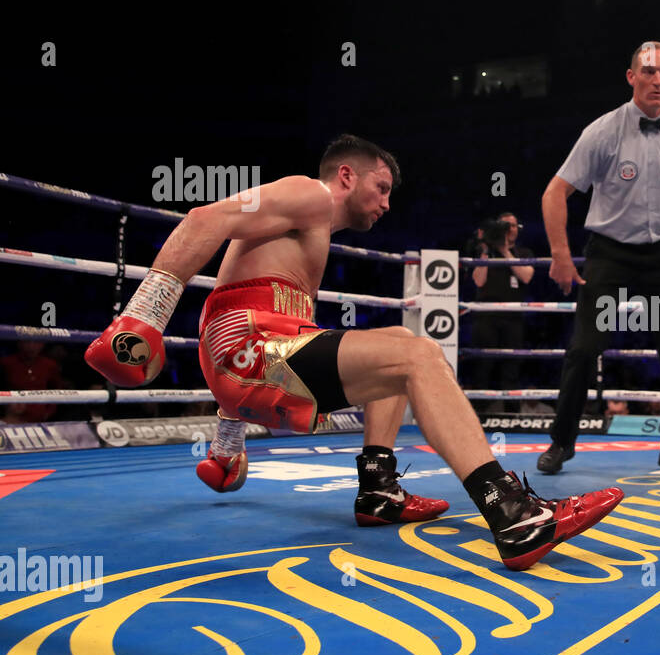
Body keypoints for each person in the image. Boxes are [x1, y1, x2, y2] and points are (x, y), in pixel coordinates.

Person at [84, 135, 623, 570]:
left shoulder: (301, 236)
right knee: (418, 361)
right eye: (382, 187)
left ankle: (379, 490)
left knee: (402, 343)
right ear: (346, 176)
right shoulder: (310, 194)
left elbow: (237, 329)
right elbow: (205, 219)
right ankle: (512, 513)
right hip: (252, 350)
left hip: (256, 356)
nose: (388, 203)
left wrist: (227, 443)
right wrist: (143, 319)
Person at [538, 41, 660, 475]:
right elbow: (555, 192)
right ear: (631, 76)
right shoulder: (603, 130)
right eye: (649, 72)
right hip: (610, 253)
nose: (658, 80)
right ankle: (561, 443)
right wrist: (560, 255)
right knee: (585, 348)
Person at [470, 212, 534, 411]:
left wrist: (506, 251)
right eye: (505, 225)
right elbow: (478, 281)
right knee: (483, 368)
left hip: (513, 317)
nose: (509, 229)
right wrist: (486, 251)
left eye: (513, 225)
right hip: (486, 316)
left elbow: (527, 277)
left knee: (511, 370)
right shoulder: (485, 252)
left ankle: (512, 417)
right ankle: (477, 417)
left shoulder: (523, 253)